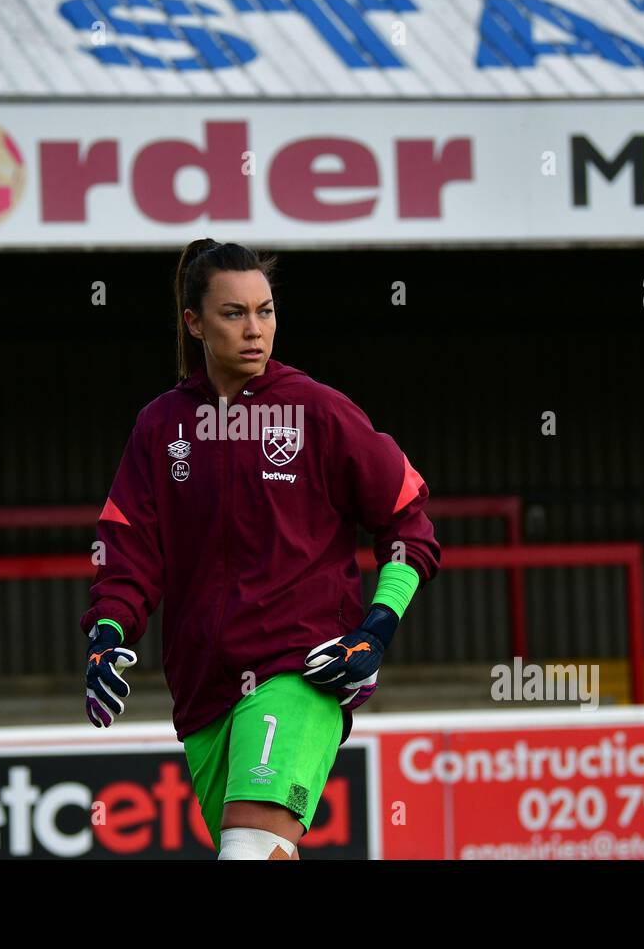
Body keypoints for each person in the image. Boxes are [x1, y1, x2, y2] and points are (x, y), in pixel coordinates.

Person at [80, 239, 440, 860]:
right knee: (258, 852)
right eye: (234, 313)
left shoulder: (319, 411)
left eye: (266, 311)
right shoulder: (160, 426)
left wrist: (375, 631)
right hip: (200, 693)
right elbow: (128, 551)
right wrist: (108, 635)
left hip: (299, 670)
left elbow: (410, 524)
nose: (256, 330)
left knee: (248, 849)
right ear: (194, 323)